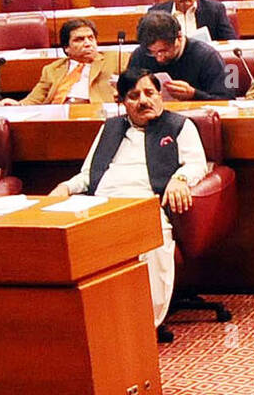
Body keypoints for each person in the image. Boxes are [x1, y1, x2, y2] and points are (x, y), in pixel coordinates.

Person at [49, 69, 206, 333]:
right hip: (102, 204)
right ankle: (82, 322)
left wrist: (180, 179)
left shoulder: (179, 125)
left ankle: (146, 324)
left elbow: (197, 164)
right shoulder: (110, 127)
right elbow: (88, 174)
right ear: (122, 102)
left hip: (145, 203)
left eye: (150, 93)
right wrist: (65, 187)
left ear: (160, 95)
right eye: (134, 96)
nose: (144, 101)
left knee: (153, 237)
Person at [0, 18, 120, 105]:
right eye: (79, 40)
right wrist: (18, 105)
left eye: (91, 38)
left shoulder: (116, 59)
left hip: (95, 113)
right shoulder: (52, 69)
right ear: (66, 48)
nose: (88, 44)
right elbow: (35, 99)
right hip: (59, 114)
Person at [126, 12, 232, 100]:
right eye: (152, 52)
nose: (159, 58)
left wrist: (194, 94)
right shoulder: (140, 54)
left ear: (179, 37)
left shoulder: (208, 56)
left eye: (164, 51)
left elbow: (228, 99)